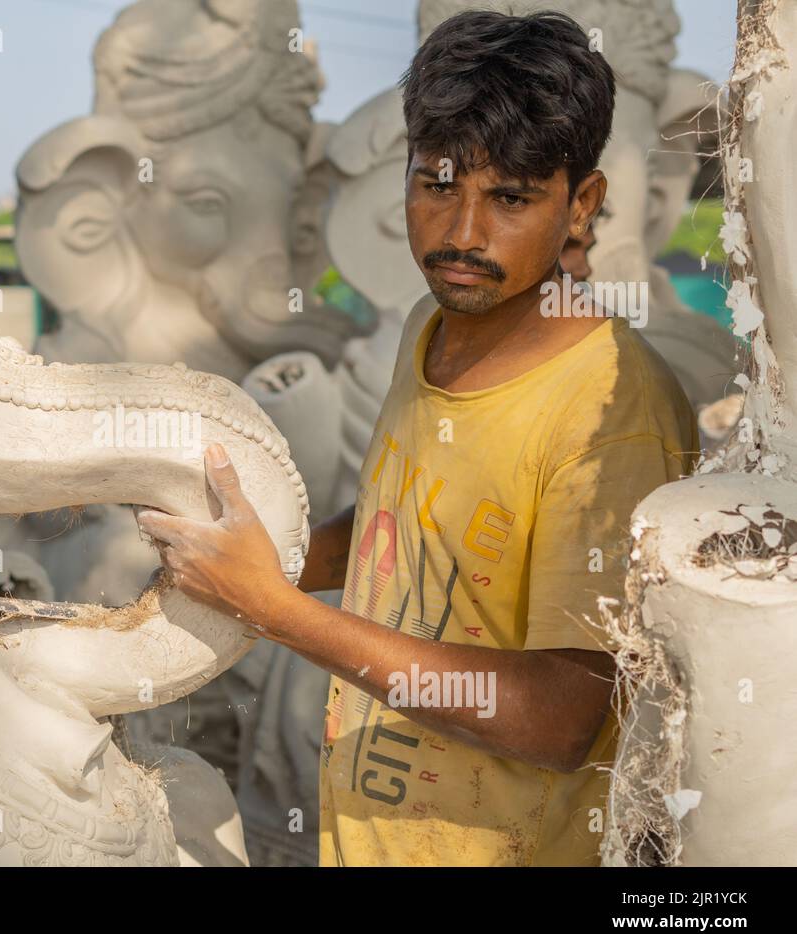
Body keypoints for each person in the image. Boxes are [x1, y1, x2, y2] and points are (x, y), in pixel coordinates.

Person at [136, 9, 698, 866]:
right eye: (437, 185)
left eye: (510, 198)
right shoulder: (426, 329)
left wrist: (276, 609)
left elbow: (561, 716)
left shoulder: (612, 416)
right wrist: (266, 558)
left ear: (582, 204)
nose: (462, 234)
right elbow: (412, 522)